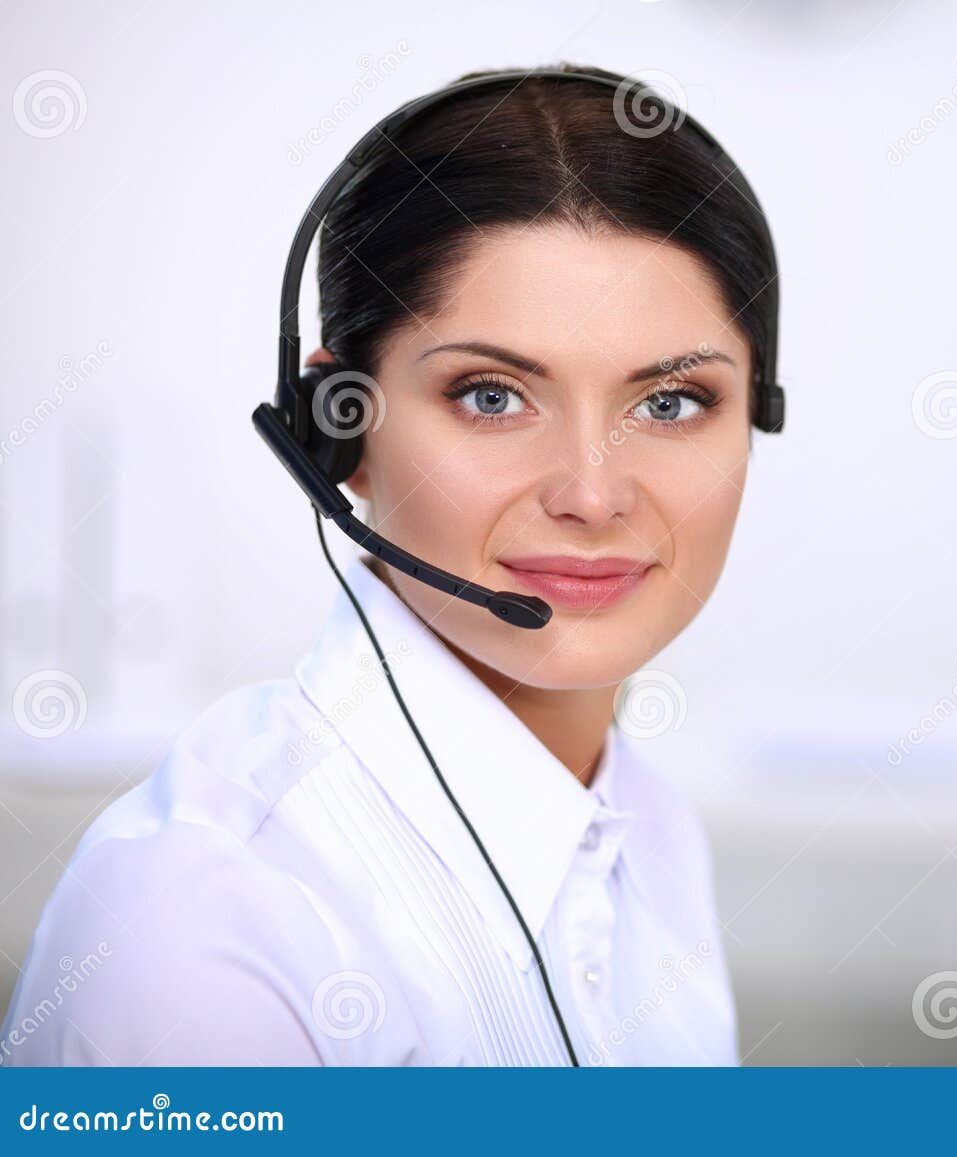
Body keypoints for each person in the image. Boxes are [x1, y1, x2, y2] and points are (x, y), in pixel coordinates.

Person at [0, 62, 780, 1066]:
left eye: (668, 402)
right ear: (337, 430)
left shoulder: (654, 833)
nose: (593, 493)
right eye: (492, 395)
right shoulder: (202, 934)